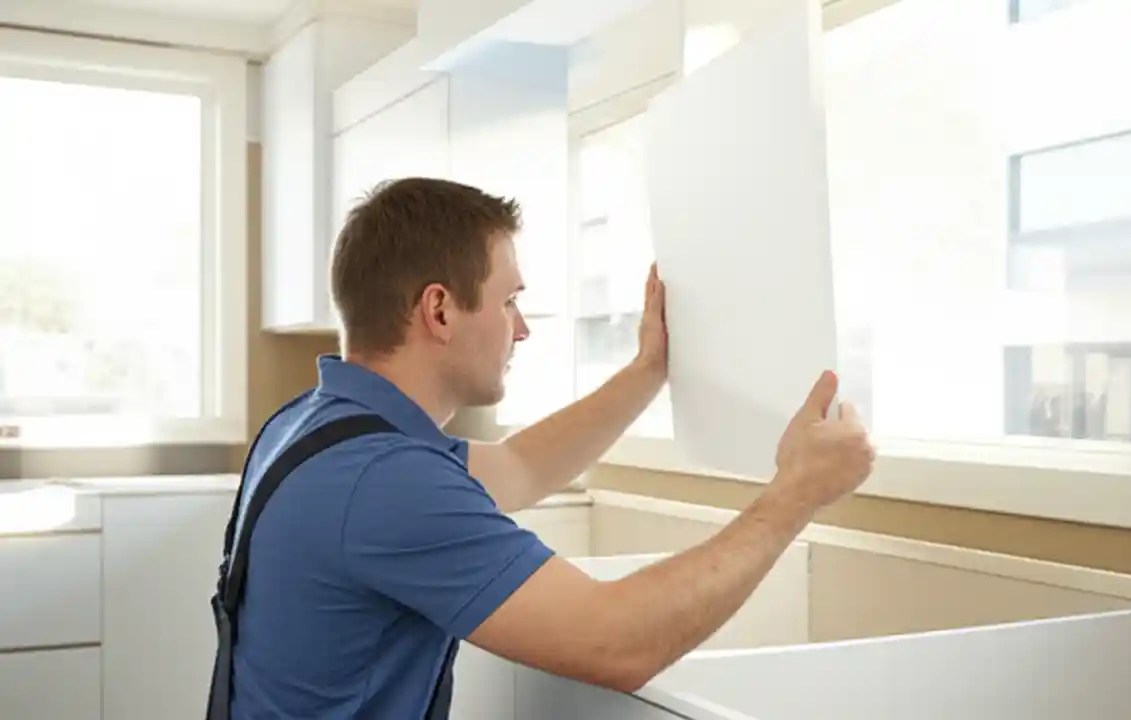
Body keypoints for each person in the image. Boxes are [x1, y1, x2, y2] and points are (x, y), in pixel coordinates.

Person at [219, 177, 875, 719]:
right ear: (440, 311)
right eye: (509, 301)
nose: (522, 329)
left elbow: (516, 468)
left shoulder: (314, 425)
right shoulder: (385, 481)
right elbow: (618, 642)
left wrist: (649, 370)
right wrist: (797, 492)